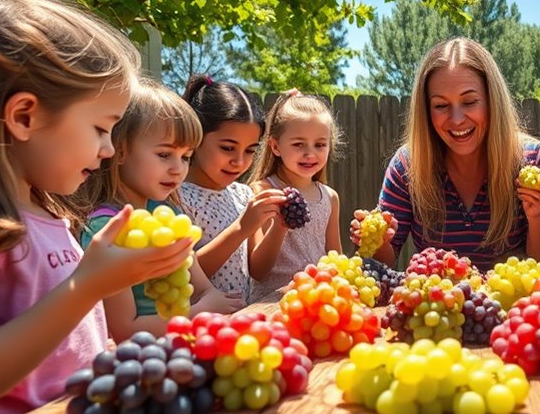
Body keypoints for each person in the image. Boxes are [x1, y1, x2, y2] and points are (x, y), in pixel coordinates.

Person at [0, 0, 191, 414]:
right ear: (24, 116)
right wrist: (87, 285)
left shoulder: (49, 218)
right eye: (101, 128)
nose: (107, 150)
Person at [352, 37, 540, 271]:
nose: (457, 119)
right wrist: (378, 241)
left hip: (507, 305)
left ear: (493, 101)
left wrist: (535, 216)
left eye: (470, 101)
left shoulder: (532, 159)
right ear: (426, 110)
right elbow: (383, 265)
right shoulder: (406, 165)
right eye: (441, 106)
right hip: (436, 305)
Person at [77, 78, 243, 340]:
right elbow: (124, 328)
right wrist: (199, 314)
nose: (178, 169)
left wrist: (206, 306)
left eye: (186, 157)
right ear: (119, 151)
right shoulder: (106, 230)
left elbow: (204, 288)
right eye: (165, 154)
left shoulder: (170, 215)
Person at [179, 75, 287, 302]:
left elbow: (258, 270)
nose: (239, 161)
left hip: (240, 320)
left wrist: (280, 227)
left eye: (250, 150)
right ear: (196, 138)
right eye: (228, 148)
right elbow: (182, 277)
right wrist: (240, 228)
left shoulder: (243, 194)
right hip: (196, 326)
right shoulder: (177, 196)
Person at [248, 92, 342, 300]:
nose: (310, 153)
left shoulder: (330, 197)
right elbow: (257, 270)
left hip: (316, 302)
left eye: (319, 145)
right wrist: (280, 227)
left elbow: (336, 261)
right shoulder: (262, 191)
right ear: (275, 146)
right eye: (299, 144)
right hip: (272, 303)